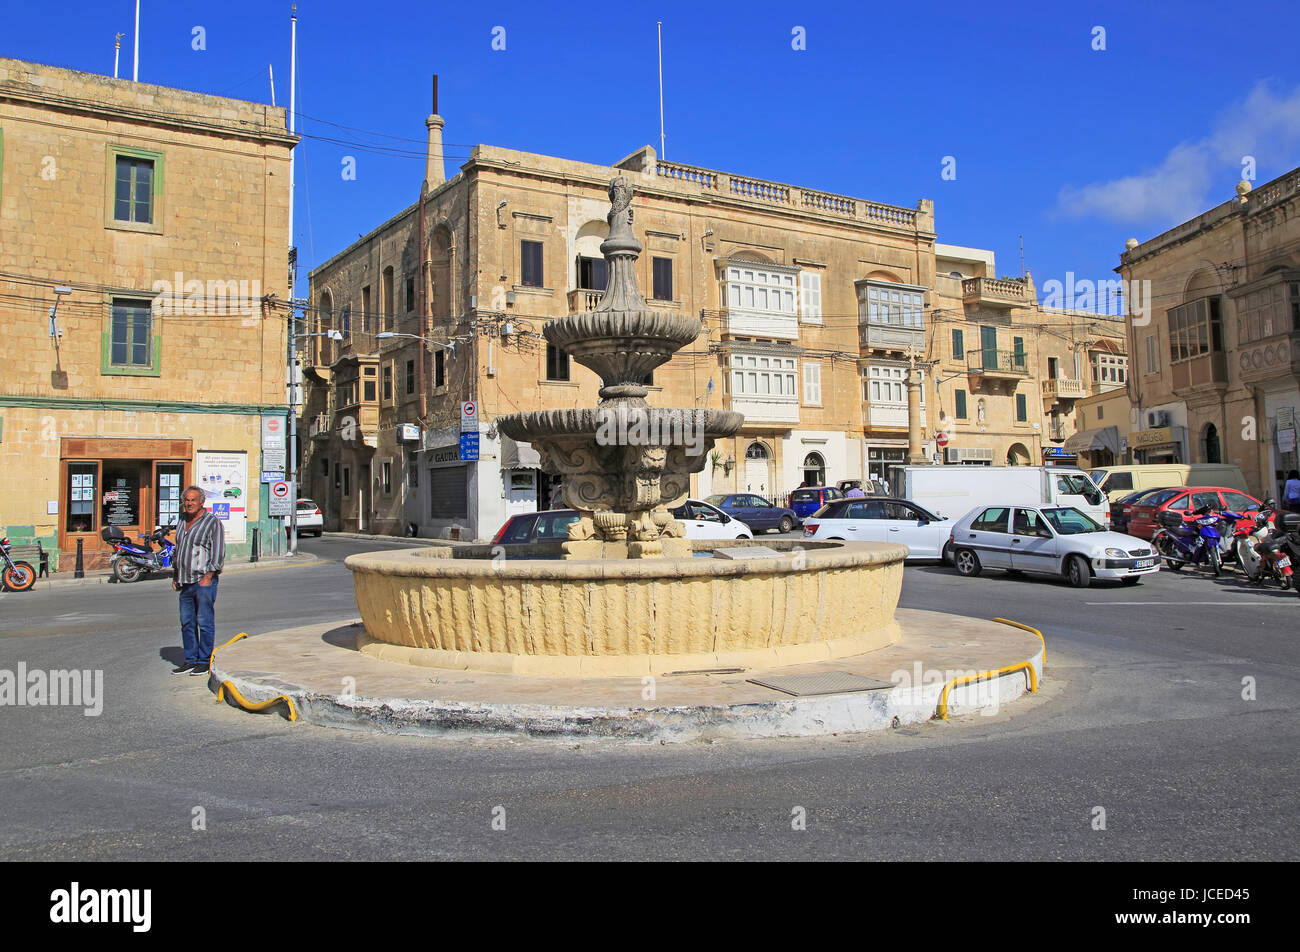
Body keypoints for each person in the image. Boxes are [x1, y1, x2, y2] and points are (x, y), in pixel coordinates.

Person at [171, 486, 225, 675]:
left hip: (203, 581)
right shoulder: (182, 521)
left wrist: (208, 576)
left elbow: (218, 553)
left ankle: (204, 660)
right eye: (186, 500)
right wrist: (176, 575)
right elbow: (179, 550)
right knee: (187, 622)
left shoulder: (212, 523)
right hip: (185, 580)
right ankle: (190, 659)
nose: (189, 503)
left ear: (201, 502)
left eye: (193, 500)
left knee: (204, 622)